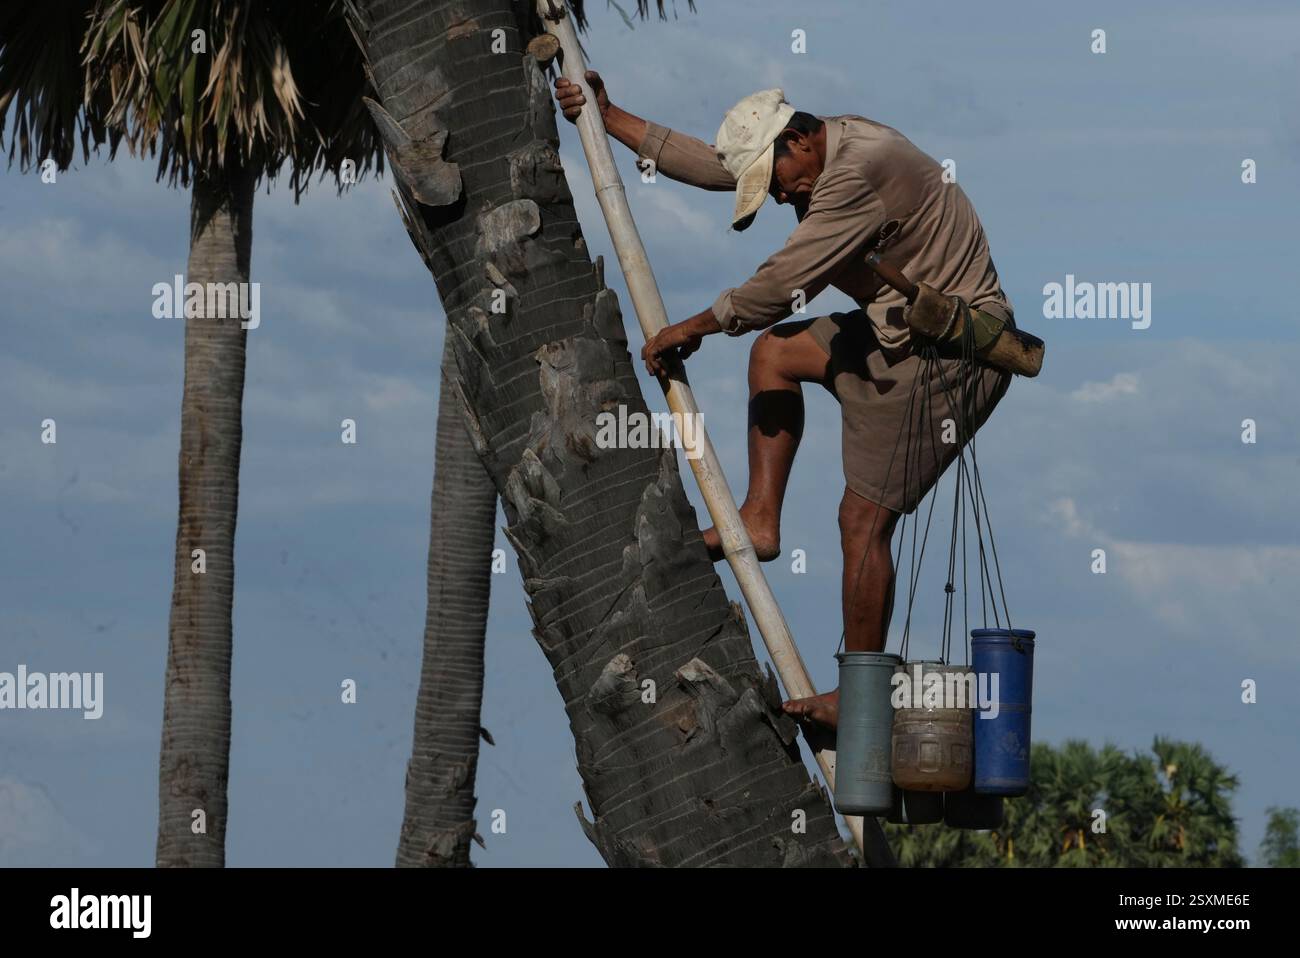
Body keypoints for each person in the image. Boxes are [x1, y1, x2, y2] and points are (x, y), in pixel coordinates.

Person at [554, 72, 1013, 731]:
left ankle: (860, 696)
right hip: (899, 332)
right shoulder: (816, 147)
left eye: (779, 183)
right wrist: (611, 115)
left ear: (798, 140)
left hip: (950, 355)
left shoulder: (860, 171)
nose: (780, 199)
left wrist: (693, 326)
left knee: (863, 522)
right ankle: (759, 520)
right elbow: (718, 169)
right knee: (776, 352)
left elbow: (785, 281)